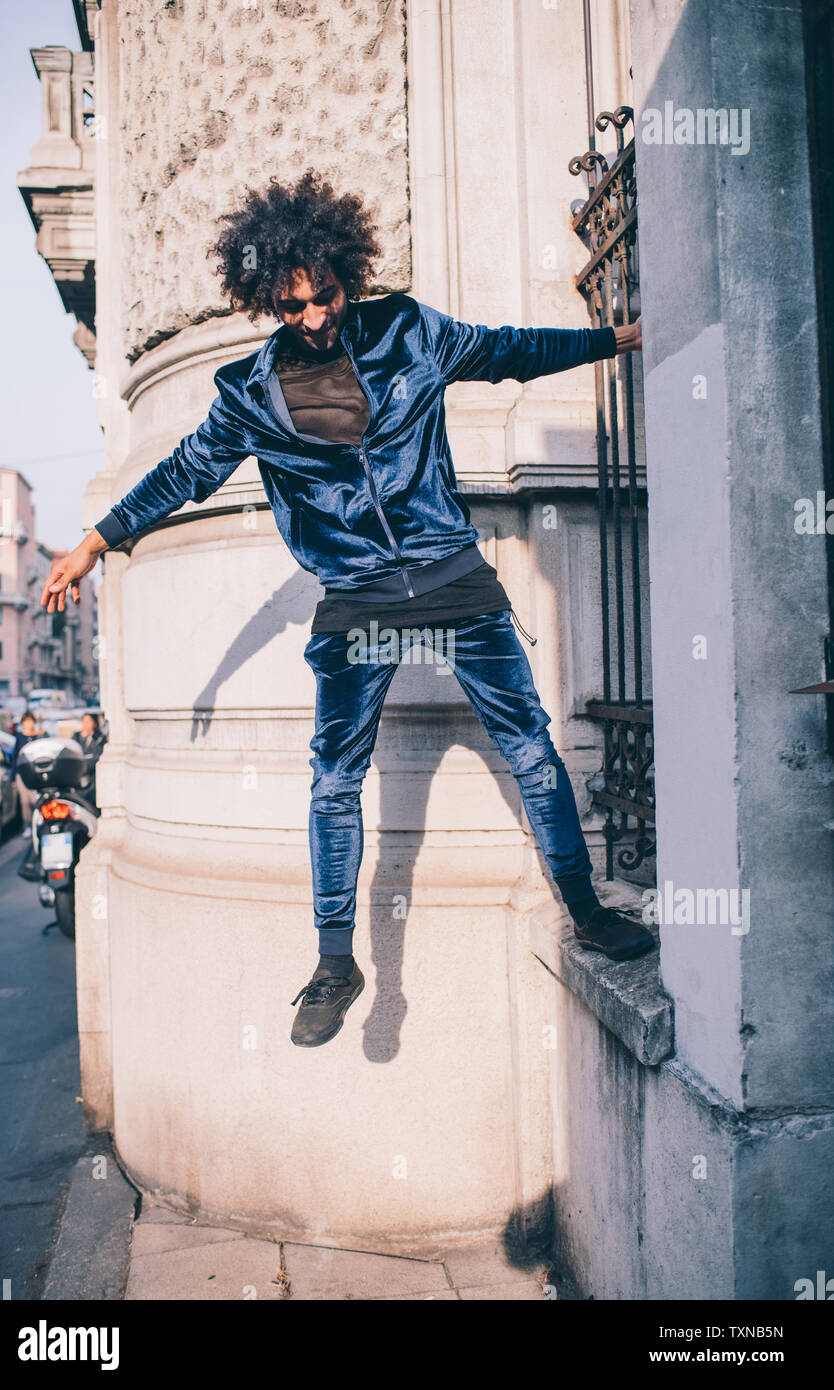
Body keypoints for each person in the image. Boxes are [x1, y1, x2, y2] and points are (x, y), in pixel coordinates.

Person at [39, 169, 656, 1049]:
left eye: (322, 297)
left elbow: (511, 348)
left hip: (448, 576)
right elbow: (182, 474)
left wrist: (617, 338)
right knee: (333, 776)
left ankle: (587, 912)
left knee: (529, 744)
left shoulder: (407, 330)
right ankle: (337, 961)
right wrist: (95, 541)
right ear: (268, 301)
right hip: (358, 595)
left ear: (346, 276)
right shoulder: (249, 394)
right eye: (290, 307)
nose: (312, 317)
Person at [11, 711, 44, 837]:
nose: (28, 724)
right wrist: (13, 776)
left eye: (30, 721)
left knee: (36, 799)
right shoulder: (19, 737)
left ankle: (39, 823)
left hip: (35, 772)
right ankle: (27, 825)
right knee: (24, 801)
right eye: (25, 721)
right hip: (21, 773)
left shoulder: (39, 735)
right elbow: (15, 757)